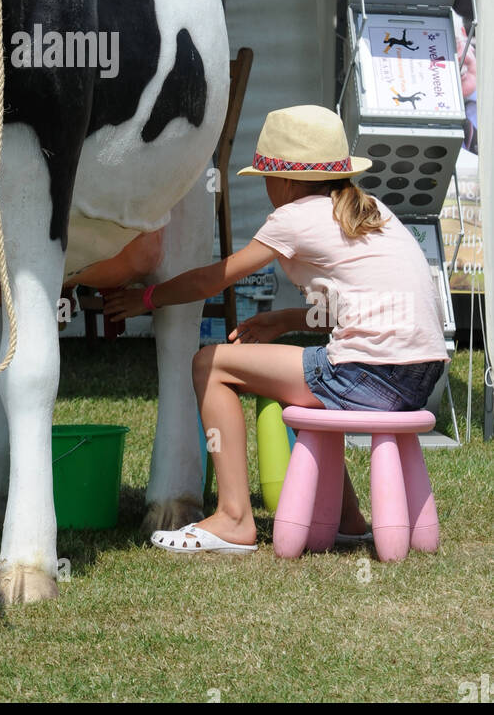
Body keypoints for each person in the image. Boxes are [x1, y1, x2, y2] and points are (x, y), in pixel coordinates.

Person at [104, 105, 448, 556]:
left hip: (368, 375)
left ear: (283, 182)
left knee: (211, 363)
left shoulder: (293, 218)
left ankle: (233, 517)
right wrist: (285, 321)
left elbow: (215, 277)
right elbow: (368, 307)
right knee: (289, 381)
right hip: (419, 376)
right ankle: (345, 518)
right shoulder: (370, 210)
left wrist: (146, 299)